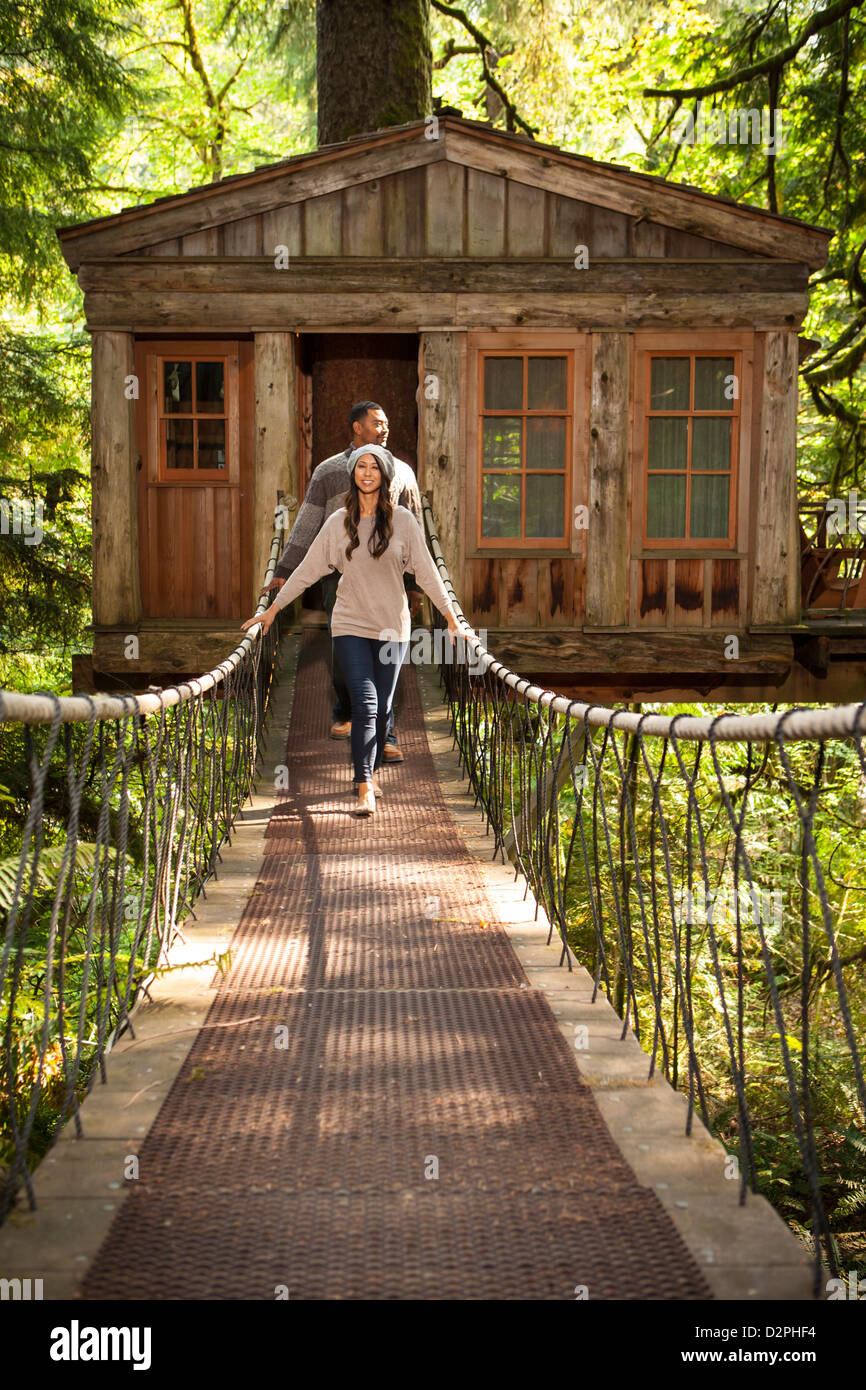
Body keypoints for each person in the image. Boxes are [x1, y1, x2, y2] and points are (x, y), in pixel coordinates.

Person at [242, 444, 464, 817]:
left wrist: (454, 618)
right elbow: (308, 570)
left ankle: (372, 773)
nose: (366, 472)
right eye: (360, 466)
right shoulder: (336, 523)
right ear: (352, 474)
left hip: (392, 626)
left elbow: (427, 572)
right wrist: (273, 611)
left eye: (374, 467)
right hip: (349, 624)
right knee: (366, 702)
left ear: (385, 476)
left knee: (384, 707)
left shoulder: (406, 522)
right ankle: (363, 786)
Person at [266, 401, 421, 766]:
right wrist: (285, 569)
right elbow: (307, 523)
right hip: (339, 576)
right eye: (376, 424)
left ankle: (386, 735)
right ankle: (347, 708)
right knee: (345, 650)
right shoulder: (328, 472)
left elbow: (416, 529)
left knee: (384, 652)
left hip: (387, 579)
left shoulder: (403, 473)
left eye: (386, 424)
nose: (384, 429)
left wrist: (414, 585)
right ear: (356, 428)